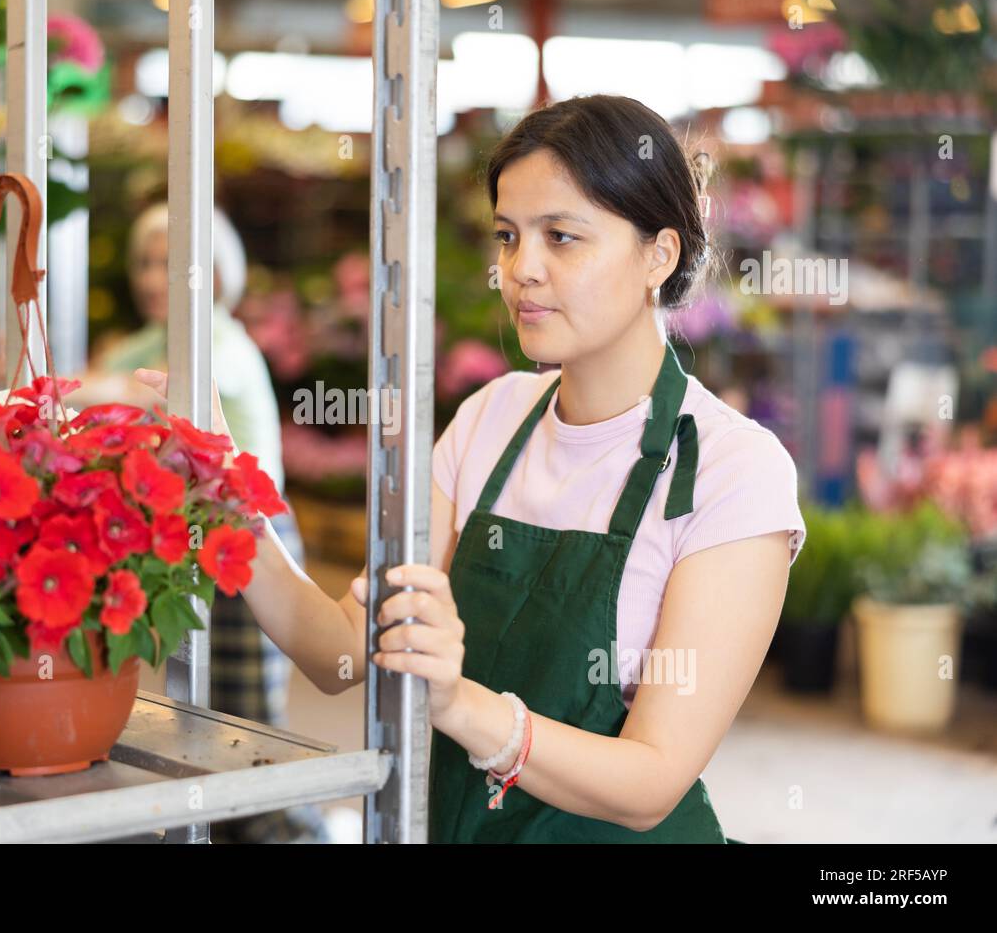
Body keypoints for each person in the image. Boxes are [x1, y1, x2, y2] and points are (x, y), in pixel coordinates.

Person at [135, 95, 807, 843]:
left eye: (562, 237)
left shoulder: (735, 471)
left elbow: (650, 782)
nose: (523, 269)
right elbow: (340, 655)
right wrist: (218, 481)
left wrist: (457, 704)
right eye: (508, 236)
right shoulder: (494, 418)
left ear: (661, 253)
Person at [86, 203, 328, 844]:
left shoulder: (220, 343)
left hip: (254, 544)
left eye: (170, 265)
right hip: (192, 545)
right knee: (204, 718)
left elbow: (134, 393)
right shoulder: (145, 343)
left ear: (215, 277)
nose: (151, 278)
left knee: (251, 724)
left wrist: (75, 389)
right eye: (143, 263)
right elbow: (97, 383)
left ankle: (292, 831)